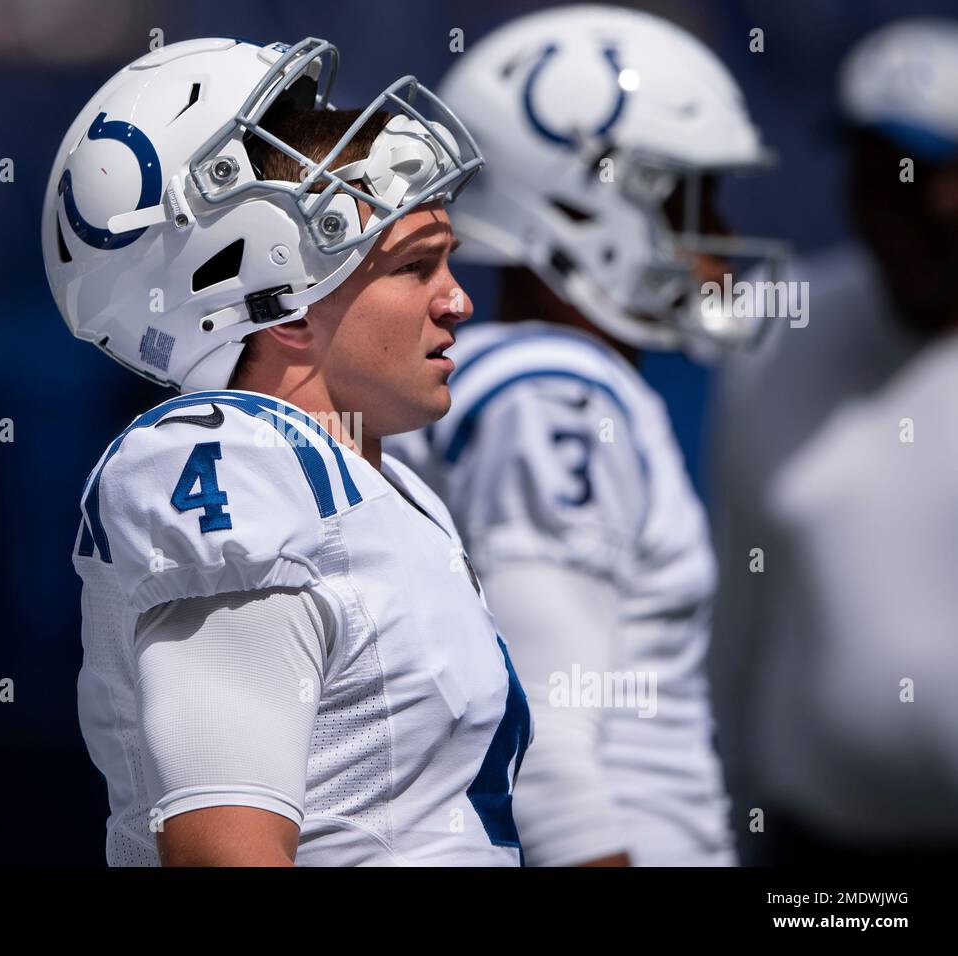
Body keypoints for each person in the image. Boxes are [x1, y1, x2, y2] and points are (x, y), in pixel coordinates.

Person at [41, 36, 531, 866]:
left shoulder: (381, 486)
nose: (458, 300)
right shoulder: (235, 462)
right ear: (286, 303)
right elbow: (225, 851)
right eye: (417, 267)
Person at [386, 7, 785, 866]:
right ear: (586, 196)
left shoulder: (513, 384)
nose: (715, 242)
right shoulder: (557, 396)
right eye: (688, 200)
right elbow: (549, 753)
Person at [709, 18, 958, 863]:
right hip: (809, 853)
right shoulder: (774, 325)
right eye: (883, 170)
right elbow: (735, 600)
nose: (913, 203)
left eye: (935, 173)